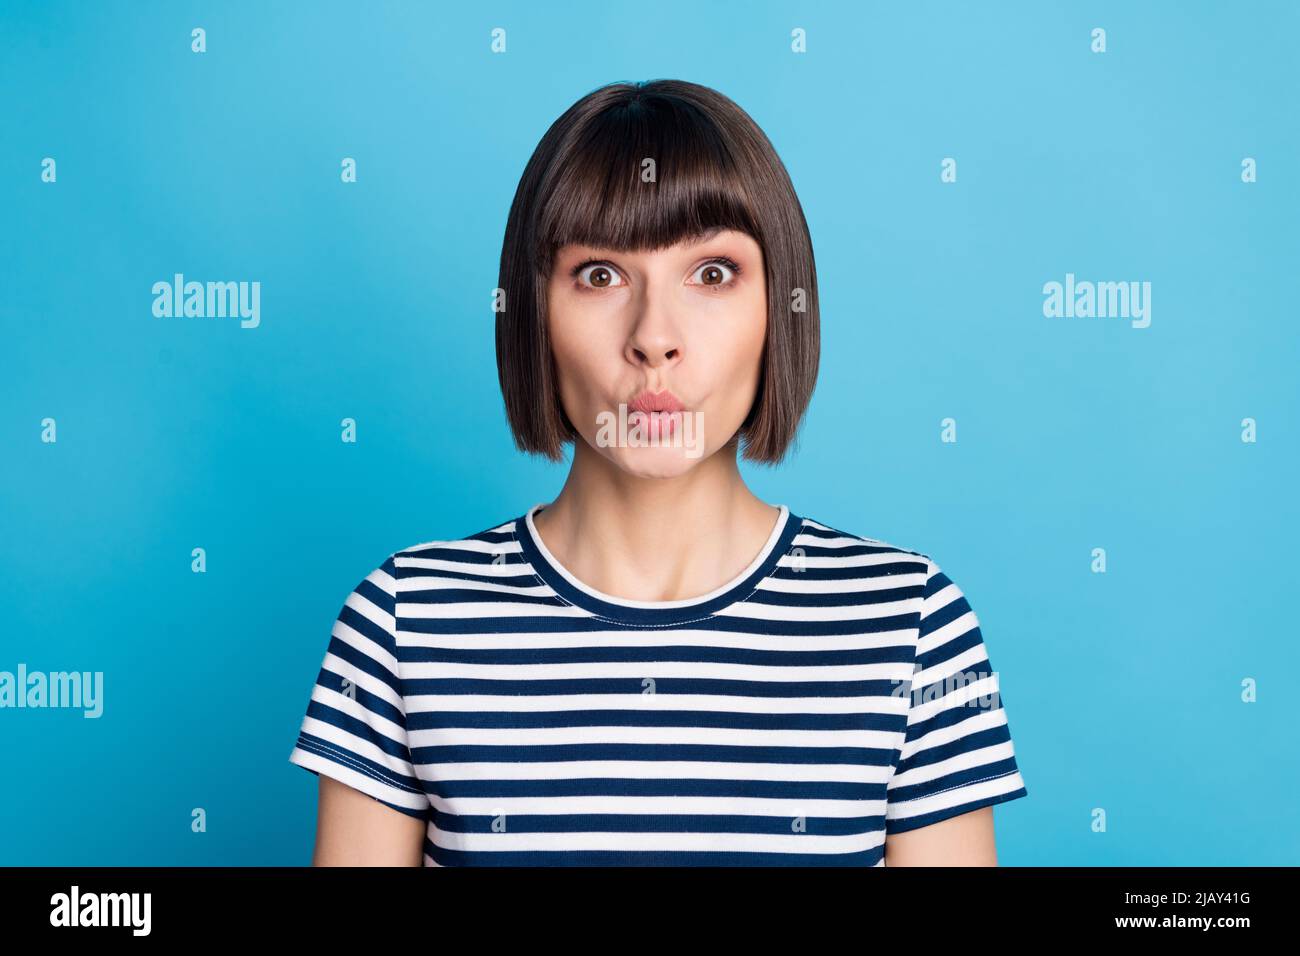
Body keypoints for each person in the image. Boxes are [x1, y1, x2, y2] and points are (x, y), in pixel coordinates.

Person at [289, 79, 1028, 866]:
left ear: (780, 307)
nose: (655, 338)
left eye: (712, 274)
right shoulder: (403, 623)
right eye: (600, 275)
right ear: (533, 314)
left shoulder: (910, 625)